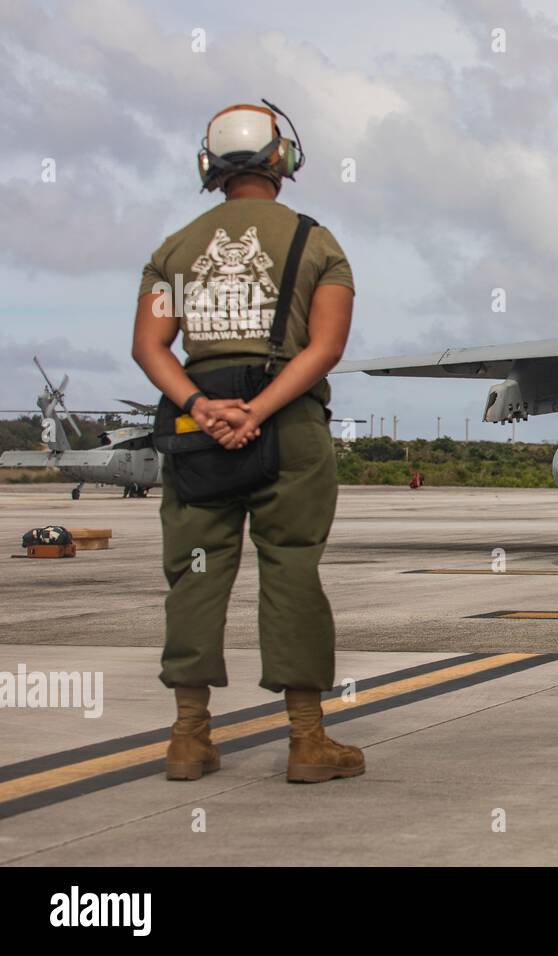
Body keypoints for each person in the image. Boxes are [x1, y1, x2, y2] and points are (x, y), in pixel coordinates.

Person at [132, 101, 362, 784]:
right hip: (285, 425)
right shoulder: (318, 244)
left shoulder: (173, 250)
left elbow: (149, 348)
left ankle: (188, 737)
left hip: (196, 431)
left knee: (195, 572)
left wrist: (204, 408)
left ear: (211, 168)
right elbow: (325, 349)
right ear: (281, 161)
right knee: (291, 566)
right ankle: (306, 740)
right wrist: (256, 411)